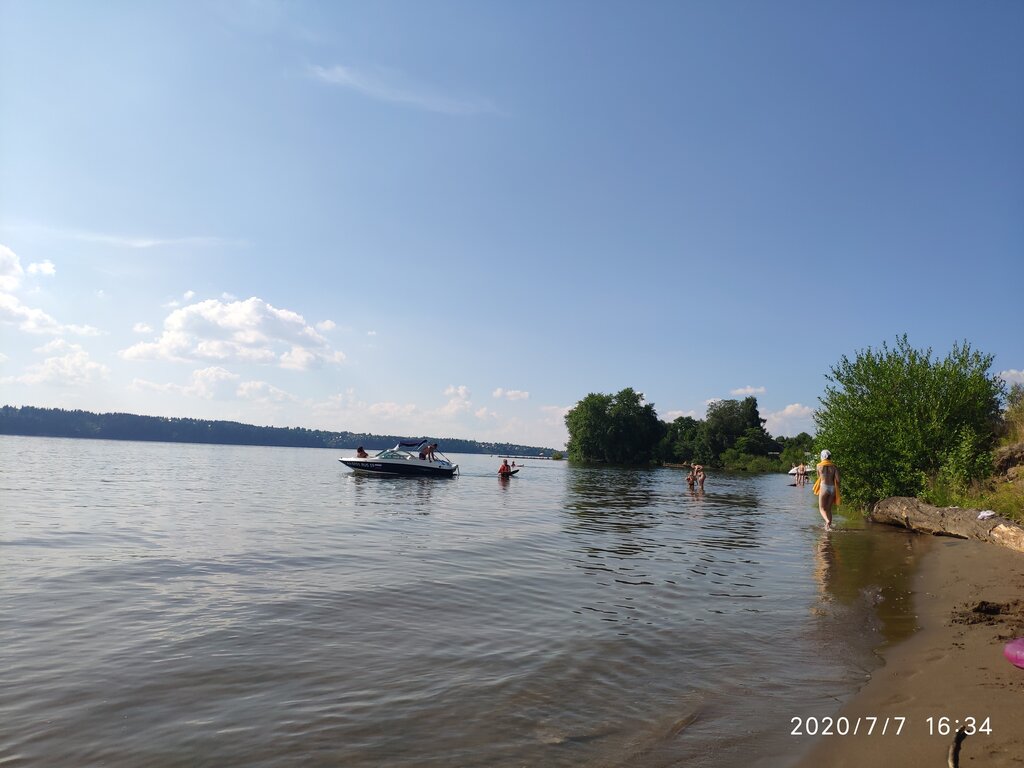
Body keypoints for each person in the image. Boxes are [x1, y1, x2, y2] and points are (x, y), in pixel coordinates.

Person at [813, 449, 841, 530]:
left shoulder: (819, 466)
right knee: (828, 509)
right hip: (832, 488)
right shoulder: (834, 466)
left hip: (824, 487)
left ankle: (827, 521)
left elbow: (819, 477)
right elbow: (838, 480)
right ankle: (828, 527)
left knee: (821, 508)